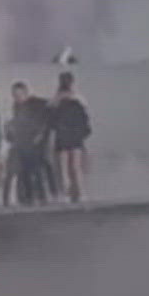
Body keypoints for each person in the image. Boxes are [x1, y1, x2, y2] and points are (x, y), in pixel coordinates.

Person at [6, 81, 50, 206]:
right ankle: (28, 197)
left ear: (26, 93)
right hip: (22, 142)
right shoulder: (16, 105)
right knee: (24, 171)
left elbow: (46, 117)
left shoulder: (36, 103)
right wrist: (11, 128)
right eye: (14, 95)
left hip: (35, 143)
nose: (17, 97)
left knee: (35, 170)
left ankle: (42, 196)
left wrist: (41, 134)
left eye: (19, 94)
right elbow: (18, 122)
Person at [52, 72, 92, 203]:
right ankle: (80, 193)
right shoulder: (78, 99)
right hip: (75, 137)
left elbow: (51, 119)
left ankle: (66, 194)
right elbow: (84, 120)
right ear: (72, 83)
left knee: (64, 169)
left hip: (62, 136)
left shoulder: (56, 99)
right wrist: (83, 133)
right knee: (75, 167)